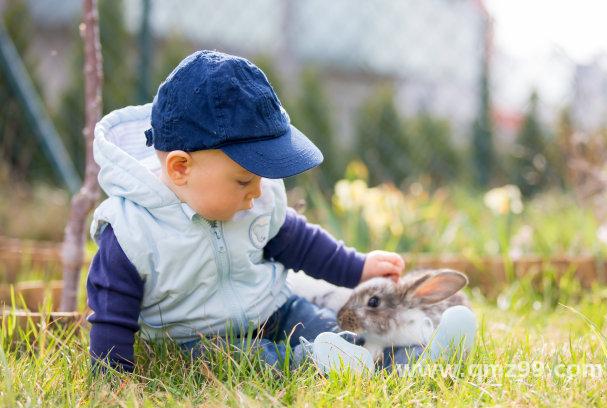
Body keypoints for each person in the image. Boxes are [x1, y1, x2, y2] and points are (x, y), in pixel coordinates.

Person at [86, 50, 406, 373]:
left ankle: (392, 356)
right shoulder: (132, 231)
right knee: (247, 361)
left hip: (273, 310)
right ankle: (312, 363)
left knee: (316, 322)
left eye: (262, 176)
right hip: (197, 339)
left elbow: (302, 244)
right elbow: (111, 315)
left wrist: (359, 267)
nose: (258, 190)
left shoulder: (257, 196)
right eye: (244, 180)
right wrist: (111, 376)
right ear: (181, 167)